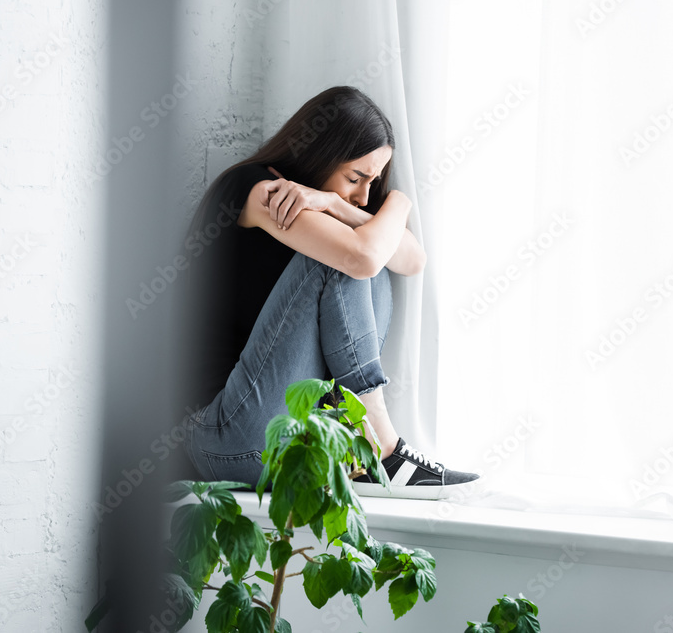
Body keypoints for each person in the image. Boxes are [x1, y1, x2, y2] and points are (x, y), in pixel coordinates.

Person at [177, 85, 479, 500]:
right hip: (225, 438)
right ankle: (383, 447)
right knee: (348, 257)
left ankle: (365, 448)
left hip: (292, 445)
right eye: (356, 178)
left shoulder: (322, 206)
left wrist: (365, 205)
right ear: (319, 152)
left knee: (372, 251)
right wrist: (385, 212)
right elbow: (362, 258)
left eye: (374, 183)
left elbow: (412, 260)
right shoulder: (260, 190)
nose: (365, 195)